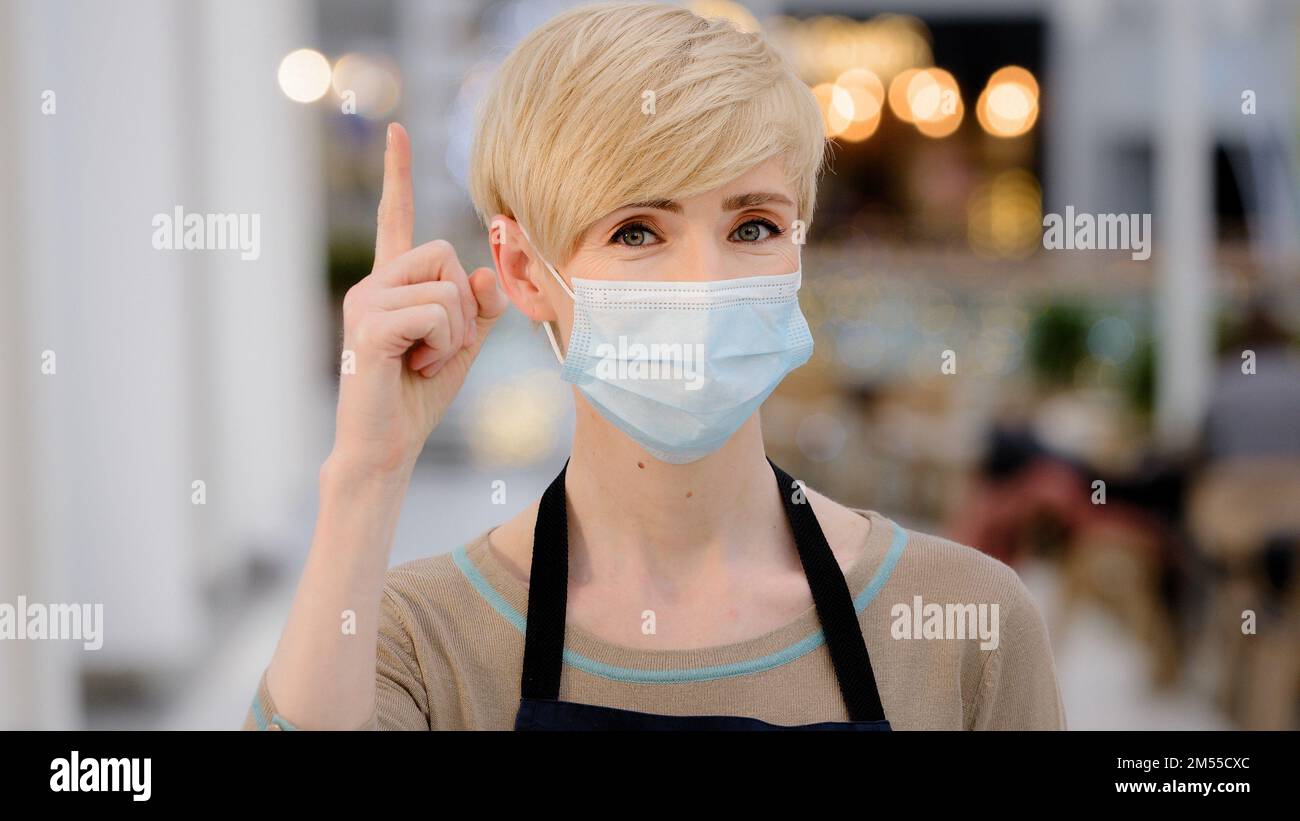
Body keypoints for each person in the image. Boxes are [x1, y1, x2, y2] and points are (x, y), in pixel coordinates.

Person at [243, 2, 1065, 731]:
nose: (705, 283)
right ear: (526, 271)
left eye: (753, 227)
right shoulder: (418, 642)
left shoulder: (965, 622)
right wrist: (365, 475)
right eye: (638, 230)